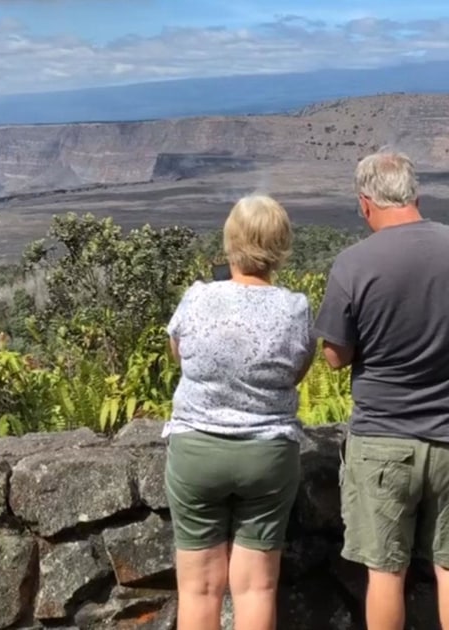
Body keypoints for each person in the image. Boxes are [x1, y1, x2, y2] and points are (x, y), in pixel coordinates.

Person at [312, 151, 449, 630]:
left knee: (385, 572)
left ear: (365, 203)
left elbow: (335, 357)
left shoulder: (353, 263)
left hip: (381, 440)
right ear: (416, 194)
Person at [164, 194, 316, 630]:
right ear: (280, 247)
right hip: (267, 454)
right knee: (256, 590)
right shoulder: (295, 308)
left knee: (198, 590)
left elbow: (179, 353)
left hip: (196, 452)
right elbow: (297, 371)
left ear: (230, 242)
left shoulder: (197, 298)